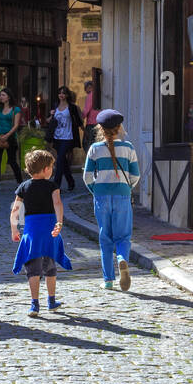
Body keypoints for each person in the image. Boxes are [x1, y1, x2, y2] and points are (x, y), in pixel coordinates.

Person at [83, 109, 140, 290]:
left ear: (100, 128)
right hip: (122, 194)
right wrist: (126, 188)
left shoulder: (94, 149)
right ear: (119, 128)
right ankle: (122, 259)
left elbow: (87, 177)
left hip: (101, 196)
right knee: (123, 236)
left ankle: (108, 280)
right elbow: (135, 176)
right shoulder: (129, 148)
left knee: (105, 237)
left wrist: (96, 191)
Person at [10, 149, 70, 318]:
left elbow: (15, 210)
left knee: (33, 269)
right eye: (51, 167)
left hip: (32, 234)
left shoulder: (23, 187)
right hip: (49, 232)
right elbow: (57, 203)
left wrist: (14, 229)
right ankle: (51, 301)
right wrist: (59, 223)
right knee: (50, 267)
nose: (52, 170)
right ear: (45, 169)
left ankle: (34, 304)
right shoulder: (52, 186)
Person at [46, 86, 83, 193]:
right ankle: (71, 182)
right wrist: (51, 115)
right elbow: (48, 120)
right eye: (60, 93)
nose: (61, 95)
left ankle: (56, 186)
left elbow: (79, 121)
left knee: (60, 160)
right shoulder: (55, 106)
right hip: (57, 137)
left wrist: (85, 132)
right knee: (63, 161)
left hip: (68, 137)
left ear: (67, 95)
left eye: (64, 93)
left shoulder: (72, 107)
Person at [0, 87, 24, 191]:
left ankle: (20, 182)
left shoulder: (15, 109)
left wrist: (6, 136)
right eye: (0, 95)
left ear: (8, 97)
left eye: (3, 95)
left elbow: (16, 125)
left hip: (10, 138)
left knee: (12, 161)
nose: (1, 97)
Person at [81, 80, 99, 152]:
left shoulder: (91, 95)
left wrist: (80, 118)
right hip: (98, 123)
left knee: (87, 143)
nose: (85, 90)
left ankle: (91, 161)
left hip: (91, 123)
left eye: (86, 88)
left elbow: (86, 109)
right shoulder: (98, 94)